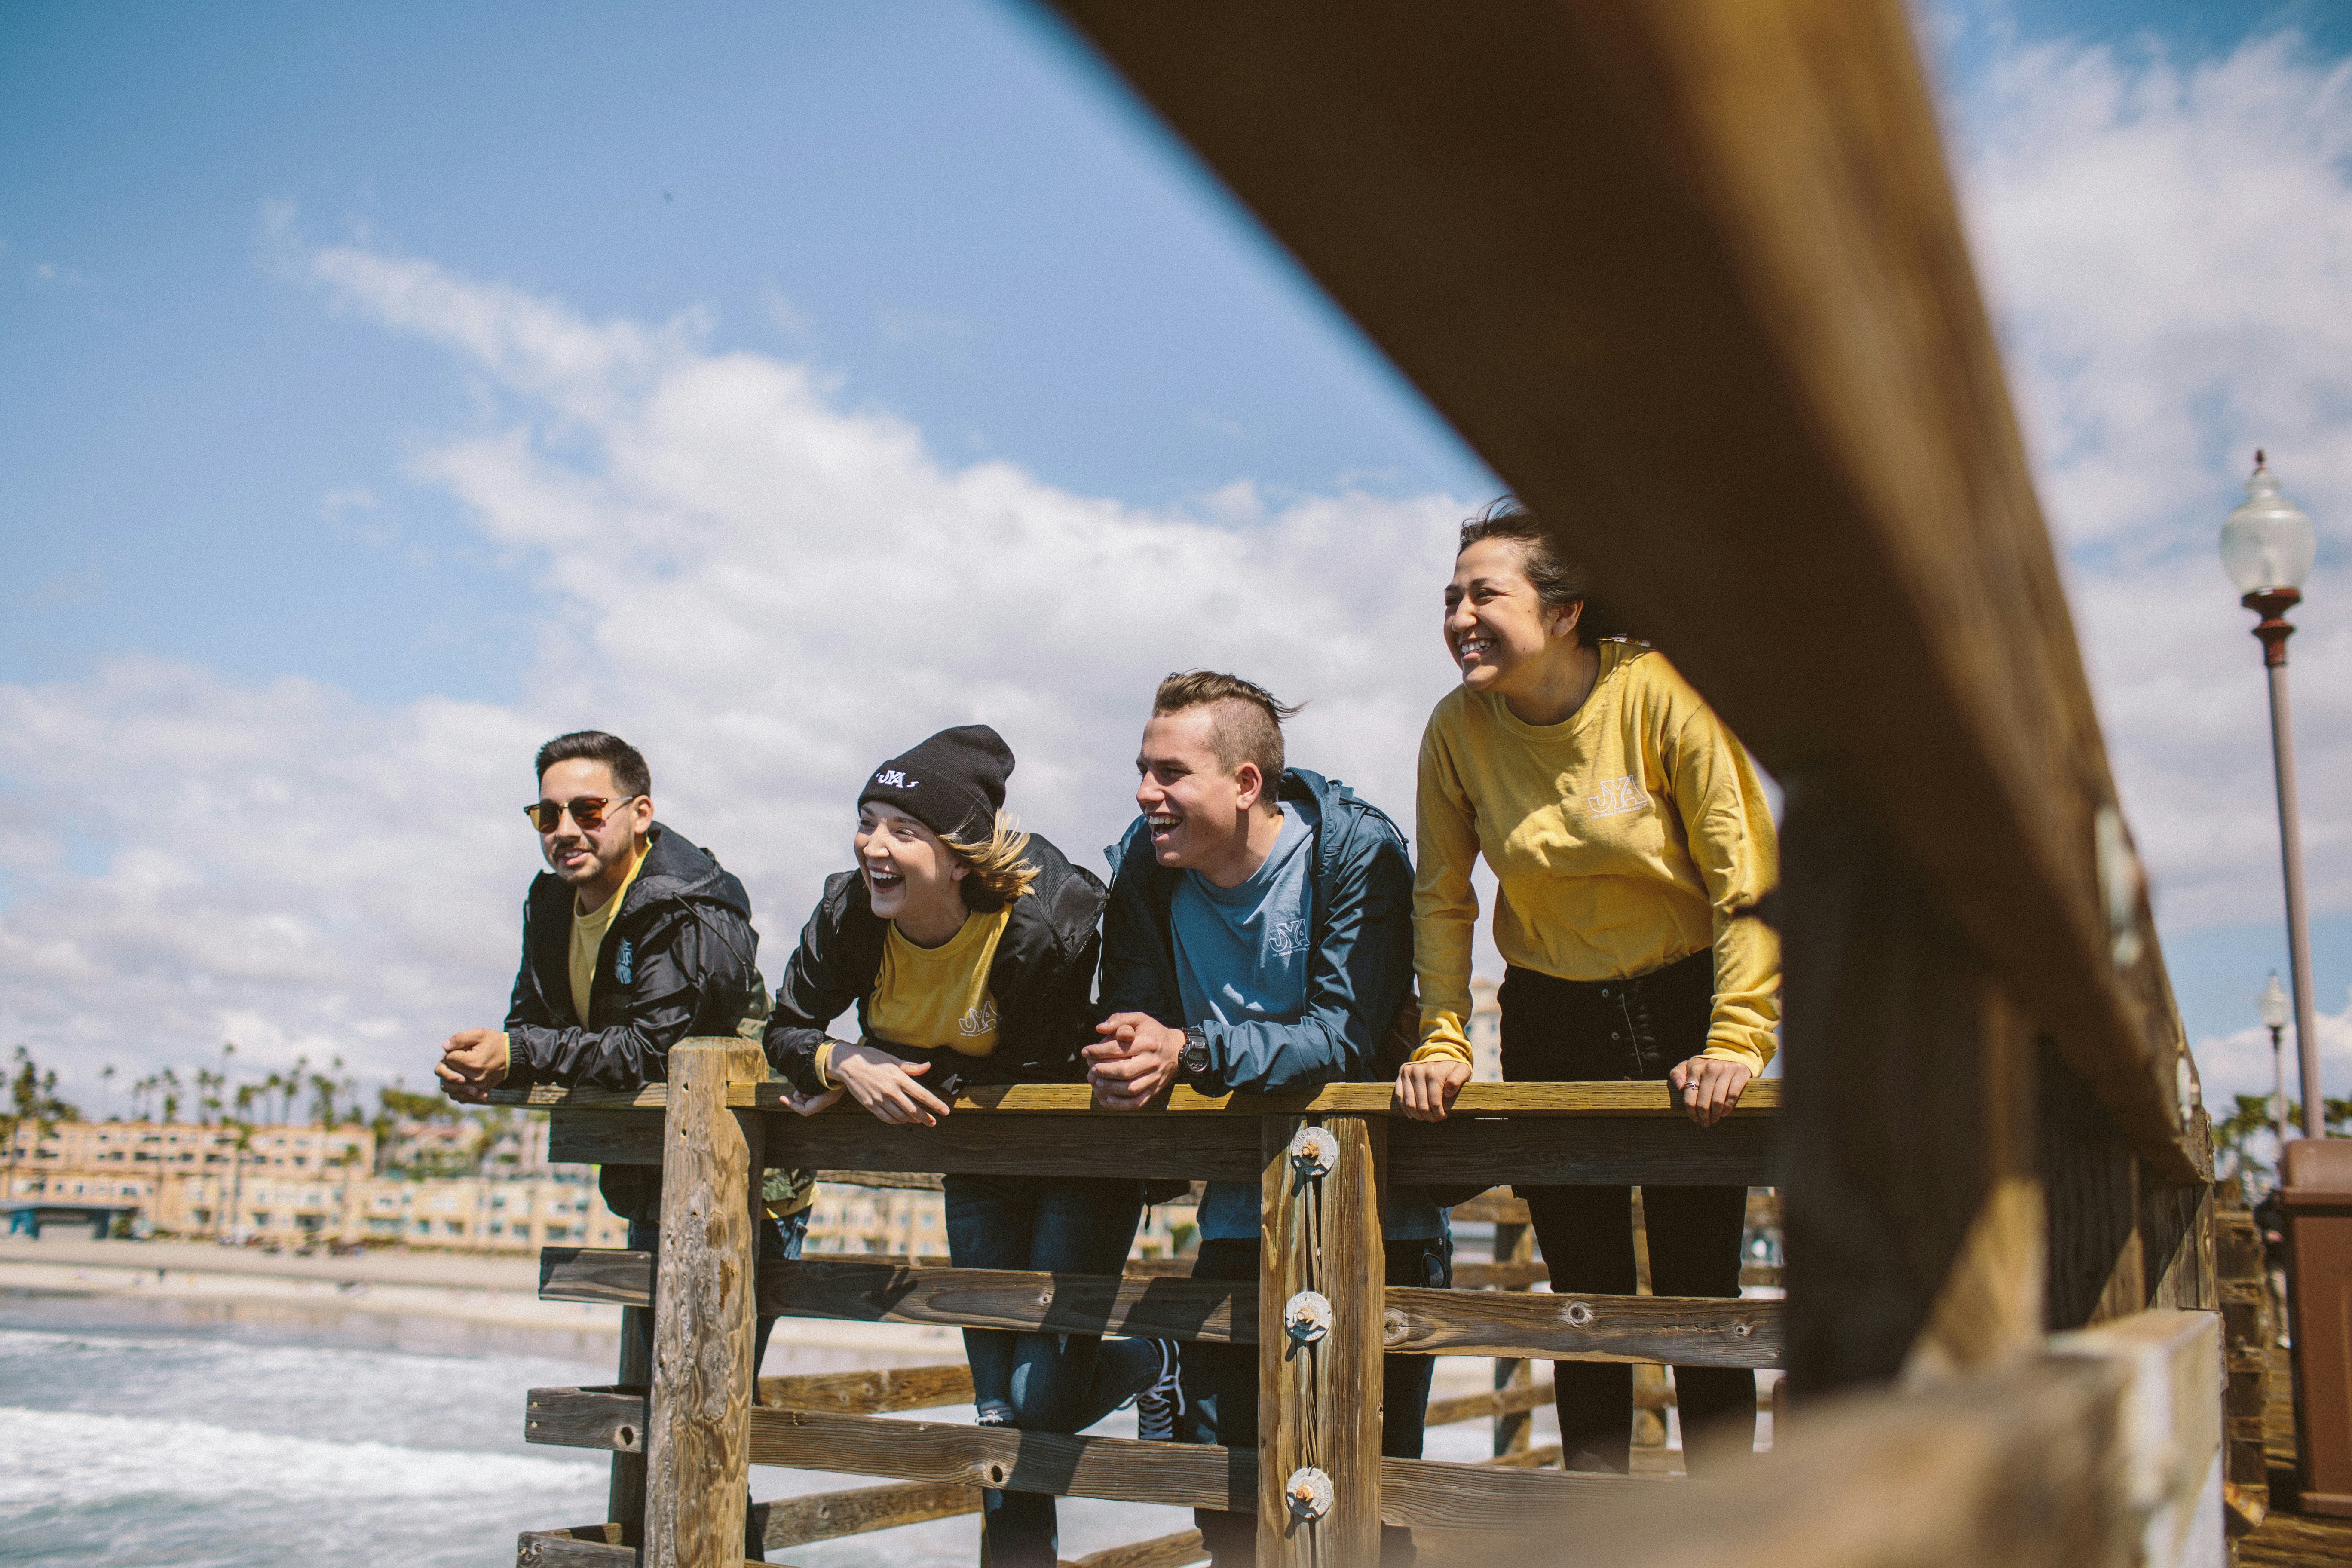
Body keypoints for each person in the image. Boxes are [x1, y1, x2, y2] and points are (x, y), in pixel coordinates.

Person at [1393, 500, 1780, 1476]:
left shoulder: (1658, 693)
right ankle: (1593, 1520)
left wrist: (1737, 1037)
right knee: (1583, 1293)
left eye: (1486, 594)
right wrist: (1443, 1039)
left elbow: (1747, 882)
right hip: (1550, 1011)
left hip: (1683, 1001)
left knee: (1700, 1289)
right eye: (1451, 598)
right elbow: (1441, 901)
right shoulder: (1457, 729)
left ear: (1564, 613)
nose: (1460, 618)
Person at [765, 724, 1176, 1568]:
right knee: (999, 1414)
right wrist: (842, 1060)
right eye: (867, 819)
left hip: (1077, 1159)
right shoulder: (851, 913)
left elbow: (1029, 1067)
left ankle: (1161, 1356)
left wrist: (874, 1073)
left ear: (958, 856)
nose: (873, 845)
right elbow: (786, 1028)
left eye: (902, 830)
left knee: (1039, 1398)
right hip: (976, 1162)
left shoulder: (1039, 930)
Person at [1087, 671, 1446, 1568]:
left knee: (1378, 1497)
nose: (1145, 792)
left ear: (1246, 784)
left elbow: (1341, 1036)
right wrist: (1128, 1050)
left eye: (1170, 773)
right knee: (1231, 1494)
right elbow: (1133, 1003)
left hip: (1379, 1214)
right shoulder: (1146, 859)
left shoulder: (1356, 853)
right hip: (1237, 1213)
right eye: (1143, 769)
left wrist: (1191, 1052)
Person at [436, 729, 806, 1560]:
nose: (564, 828)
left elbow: (652, 1048)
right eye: (547, 812)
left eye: (587, 809)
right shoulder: (548, 902)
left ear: (640, 814)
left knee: (705, 1409)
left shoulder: (691, 905)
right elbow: (533, 1020)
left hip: (750, 1186)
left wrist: (522, 1055)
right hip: (652, 1178)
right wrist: (494, 1066)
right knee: (657, 1406)